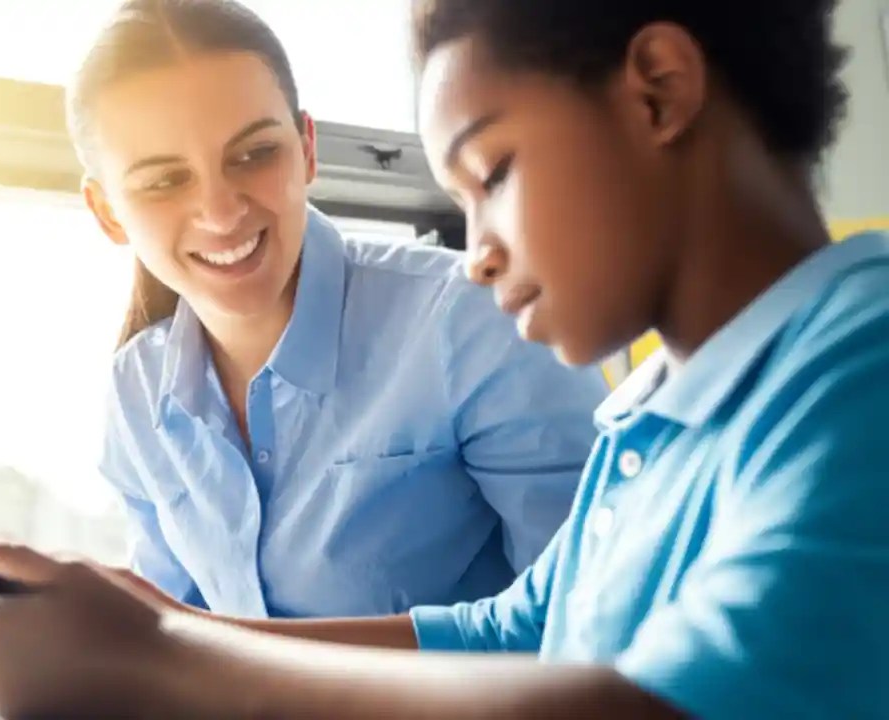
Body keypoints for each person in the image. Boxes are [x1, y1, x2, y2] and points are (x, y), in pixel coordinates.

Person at [0, 0, 889, 717]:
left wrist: (160, 664)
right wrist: (157, 628)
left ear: (659, 92)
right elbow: (516, 631)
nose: (475, 253)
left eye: (493, 172)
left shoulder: (866, 361)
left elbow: (645, 707)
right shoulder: (653, 413)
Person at [76, 0, 605, 618]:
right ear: (108, 212)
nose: (221, 214)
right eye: (165, 181)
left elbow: (594, 619)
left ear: (306, 149)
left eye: (254, 154)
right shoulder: (136, 390)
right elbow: (171, 637)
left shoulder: (474, 321)